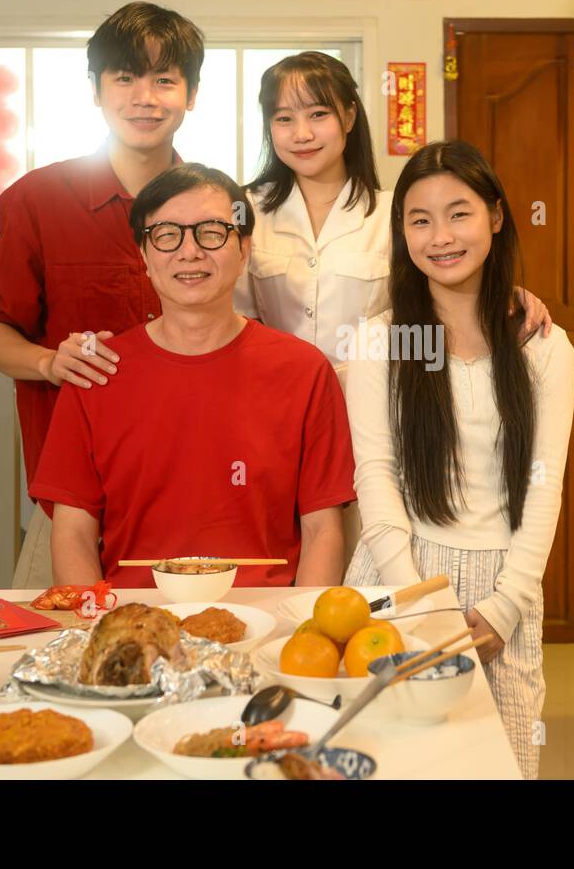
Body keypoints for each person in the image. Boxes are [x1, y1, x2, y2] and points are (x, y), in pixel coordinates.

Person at [236, 51, 554, 569]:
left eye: (317, 113)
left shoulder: (393, 212)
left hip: (375, 418)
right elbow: (234, 318)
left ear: (349, 117)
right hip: (275, 418)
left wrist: (509, 295)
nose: (302, 132)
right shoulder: (248, 210)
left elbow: (445, 277)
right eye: (283, 118)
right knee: (282, 564)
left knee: (368, 554)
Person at [343, 140, 574, 779]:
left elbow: (544, 481)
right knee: (384, 763)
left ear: (496, 217)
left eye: (459, 214)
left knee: (498, 764)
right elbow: (375, 473)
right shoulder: (378, 342)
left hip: (505, 585)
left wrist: (505, 605)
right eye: (419, 220)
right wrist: (420, 602)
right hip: (398, 574)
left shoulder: (545, 347)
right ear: (402, 233)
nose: (440, 237)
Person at [0, 2, 203, 588]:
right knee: (54, 664)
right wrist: (46, 362)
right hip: (73, 505)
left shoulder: (216, 206)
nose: (144, 97)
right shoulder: (35, 201)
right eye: (125, 77)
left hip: (196, 491)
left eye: (164, 79)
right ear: (96, 90)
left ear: (191, 95)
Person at [29, 164, 354, 588]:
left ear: (244, 251)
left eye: (212, 233)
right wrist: (102, 636)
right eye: (167, 235)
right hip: (133, 622)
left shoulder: (304, 371)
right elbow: (72, 534)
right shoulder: (97, 373)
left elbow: (323, 531)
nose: (190, 252)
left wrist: (303, 631)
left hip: (267, 621)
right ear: (144, 256)